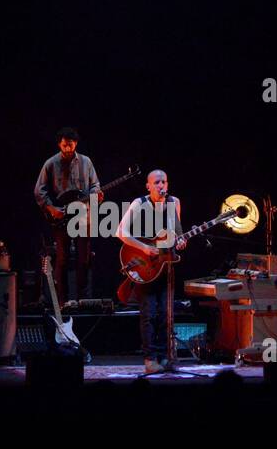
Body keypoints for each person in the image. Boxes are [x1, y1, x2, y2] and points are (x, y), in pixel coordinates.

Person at [117, 170, 186, 374]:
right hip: (144, 264)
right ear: (148, 186)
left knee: (166, 313)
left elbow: (177, 235)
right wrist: (144, 248)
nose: (161, 185)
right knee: (149, 313)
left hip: (165, 266)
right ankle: (149, 359)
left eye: (164, 181)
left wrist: (181, 242)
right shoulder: (139, 204)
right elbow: (121, 231)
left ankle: (165, 357)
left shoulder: (174, 202)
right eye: (156, 182)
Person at [33, 127, 101, 306]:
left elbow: (95, 185)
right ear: (59, 144)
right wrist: (50, 208)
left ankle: (81, 300)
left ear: (76, 143)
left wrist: (96, 195)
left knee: (84, 259)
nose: (68, 149)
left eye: (70, 145)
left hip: (83, 215)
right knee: (61, 259)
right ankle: (62, 302)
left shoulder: (86, 162)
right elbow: (39, 190)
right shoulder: (50, 163)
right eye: (64, 146)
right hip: (61, 216)